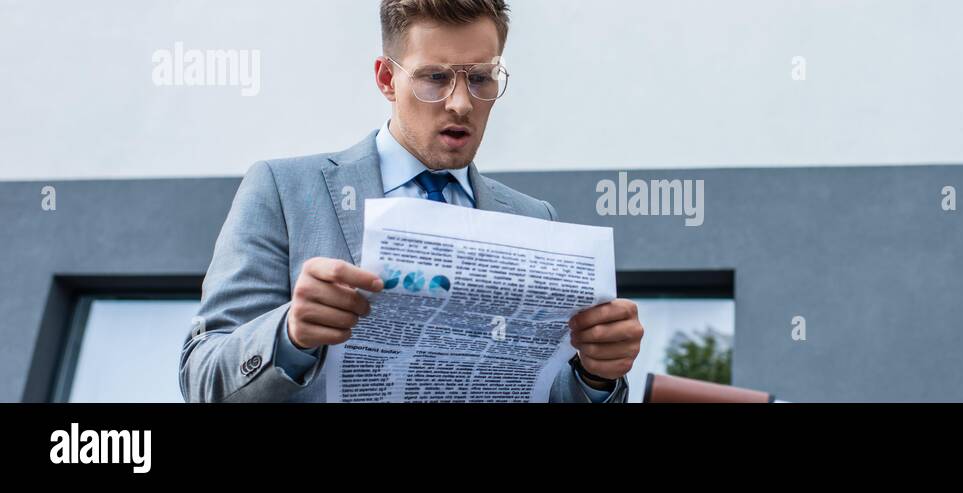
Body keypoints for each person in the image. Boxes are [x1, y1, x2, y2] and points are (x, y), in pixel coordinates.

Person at [179, 0, 643, 402]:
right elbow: (202, 379)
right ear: (386, 78)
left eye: (481, 78)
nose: (461, 102)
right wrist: (289, 334)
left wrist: (596, 375)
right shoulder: (282, 189)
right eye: (435, 78)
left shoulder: (534, 218)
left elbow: (547, 391)